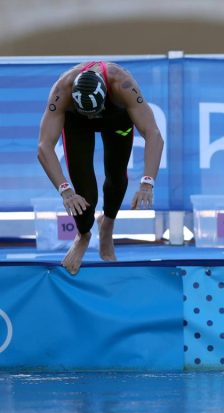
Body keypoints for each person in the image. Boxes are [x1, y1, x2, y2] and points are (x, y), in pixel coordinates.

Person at [37, 61, 164, 275]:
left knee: (116, 176)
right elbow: (44, 147)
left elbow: (154, 134)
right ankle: (84, 235)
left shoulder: (123, 85)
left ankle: (107, 225)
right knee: (83, 194)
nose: (92, 118)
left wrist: (147, 182)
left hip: (116, 119)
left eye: (93, 112)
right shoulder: (62, 90)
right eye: (87, 113)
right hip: (77, 124)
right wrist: (65, 191)